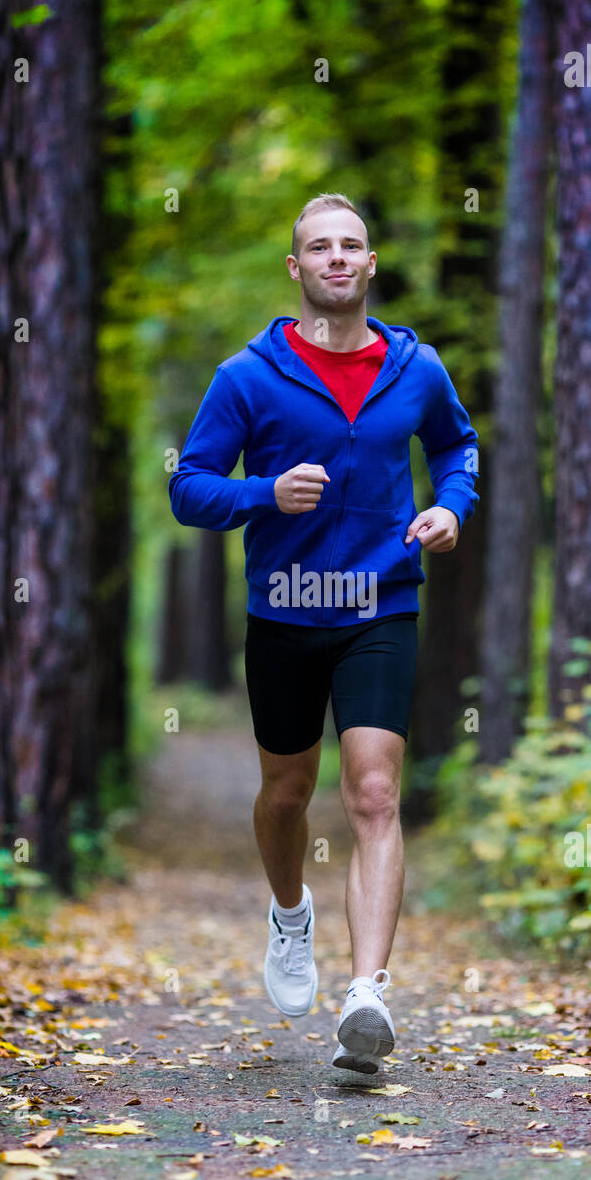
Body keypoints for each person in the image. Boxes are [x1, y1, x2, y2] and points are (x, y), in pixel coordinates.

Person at [169, 193, 479, 1073]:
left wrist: (450, 507)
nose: (337, 258)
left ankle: (368, 993)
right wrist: (264, 493)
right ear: (297, 268)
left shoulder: (416, 368)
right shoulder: (247, 377)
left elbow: (458, 448)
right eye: (319, 247)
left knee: (374, 792)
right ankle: (289, 913)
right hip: (285, 607)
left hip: (380, 604)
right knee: (286, 794)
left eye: (351, 245)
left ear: (371, 264)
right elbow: (189, 487)